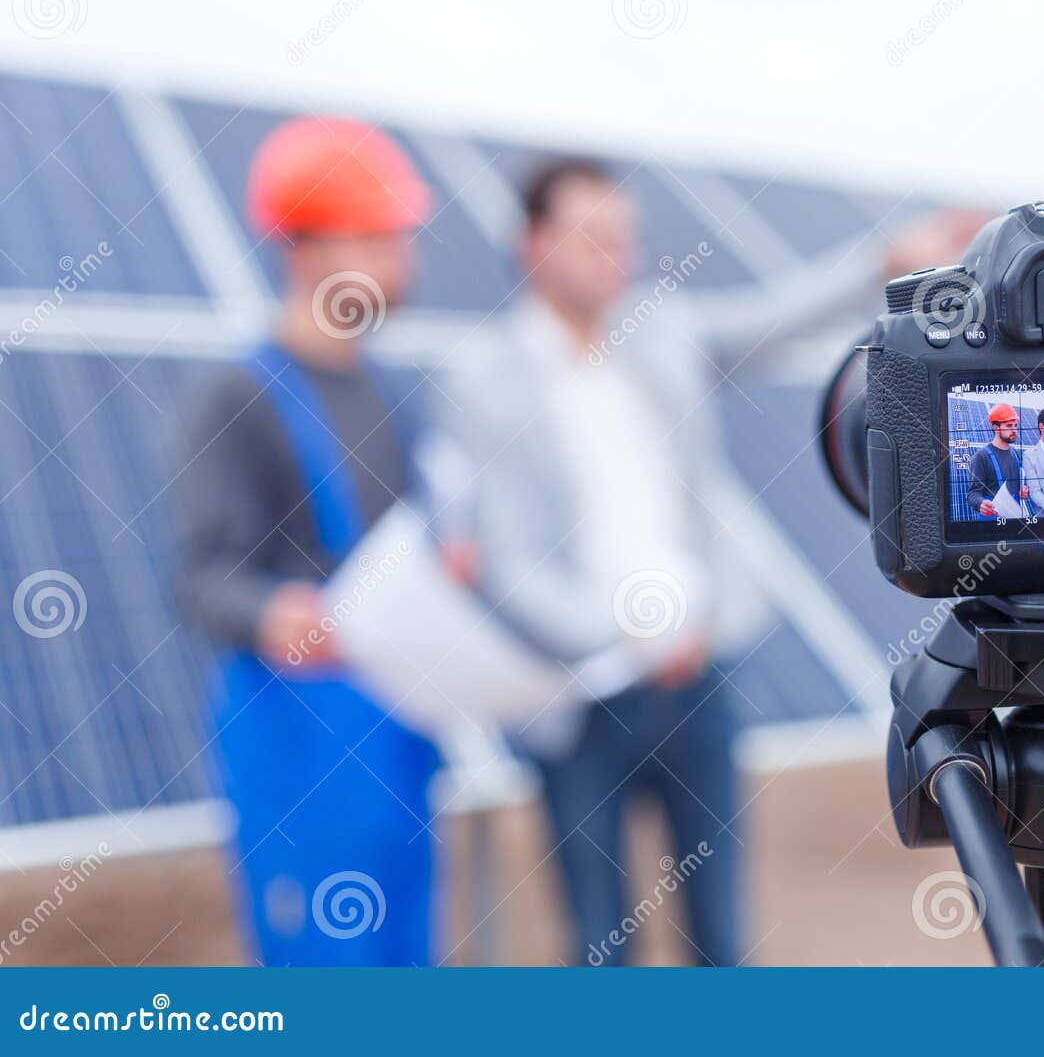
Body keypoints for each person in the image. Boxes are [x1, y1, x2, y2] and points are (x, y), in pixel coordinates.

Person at [439, 157, 761, 966]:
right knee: (600, 944)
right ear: (533, 243)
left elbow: (776, 320)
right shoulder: (482, 381)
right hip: (578, 699)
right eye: (589, 235)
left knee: (723, 939)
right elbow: (504, 563)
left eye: (621, 236)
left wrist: (882, 268)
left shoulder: (664, 340)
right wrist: (625, 638)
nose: (610, 254)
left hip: (697, 682)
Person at [175, 117, 441, 966]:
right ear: (305, 249)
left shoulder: (392, 393)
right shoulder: (235, 397)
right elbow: (200, 576)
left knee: (404, 951)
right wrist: (270, 612)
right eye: (379, 236)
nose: (402, 260)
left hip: (396, 726)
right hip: (294, 739)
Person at [966, 403, 1031, 518]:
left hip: (1015, 516)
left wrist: (1024, 489)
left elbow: (1021, 482)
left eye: (1015, 425)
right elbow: (972, 494)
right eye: (1009, 426)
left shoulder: (1016, 454)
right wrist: (981, 503)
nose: (1014, 430)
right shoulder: (981, 457)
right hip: (991, 521)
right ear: (996, 428)